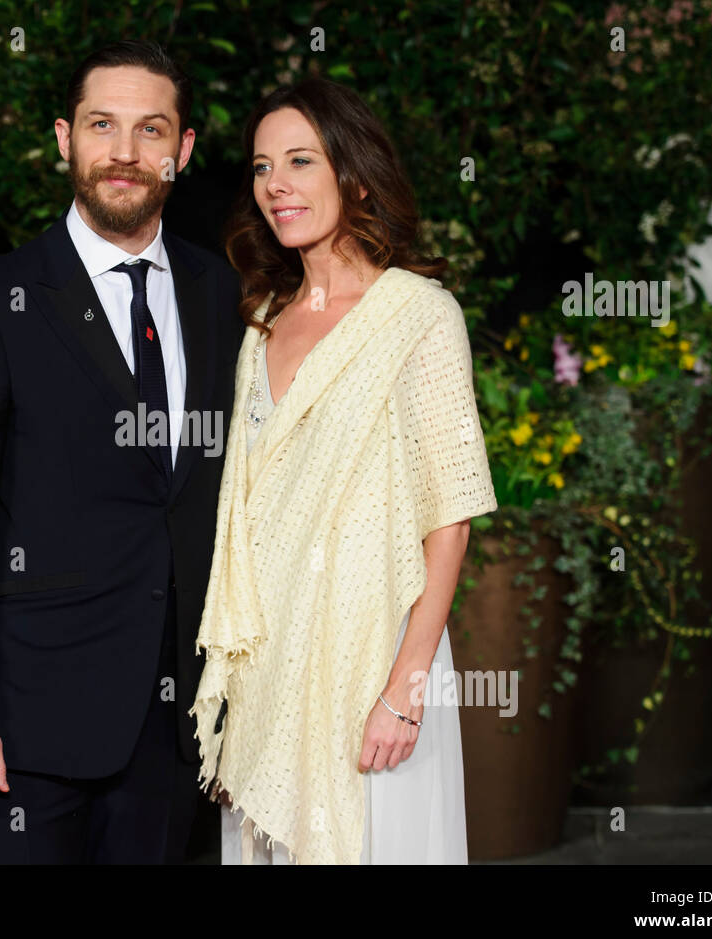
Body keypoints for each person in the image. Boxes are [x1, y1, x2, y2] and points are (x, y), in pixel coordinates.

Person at [0, 39, 243, 864]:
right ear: (64, 138)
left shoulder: (224, 293)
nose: (124, 154)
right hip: (28, 726)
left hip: (178, 729)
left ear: (184, 151)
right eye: (102, 125)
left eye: (151, 129)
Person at [189, 77, 499, 865]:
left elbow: (449, 516)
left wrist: (405, 691)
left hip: (376, 657)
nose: (276, 186)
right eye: (261, 167)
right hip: (268, 660)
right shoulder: (261, 324)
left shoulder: (419, 314)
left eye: (300, 160)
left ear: (354, 175)